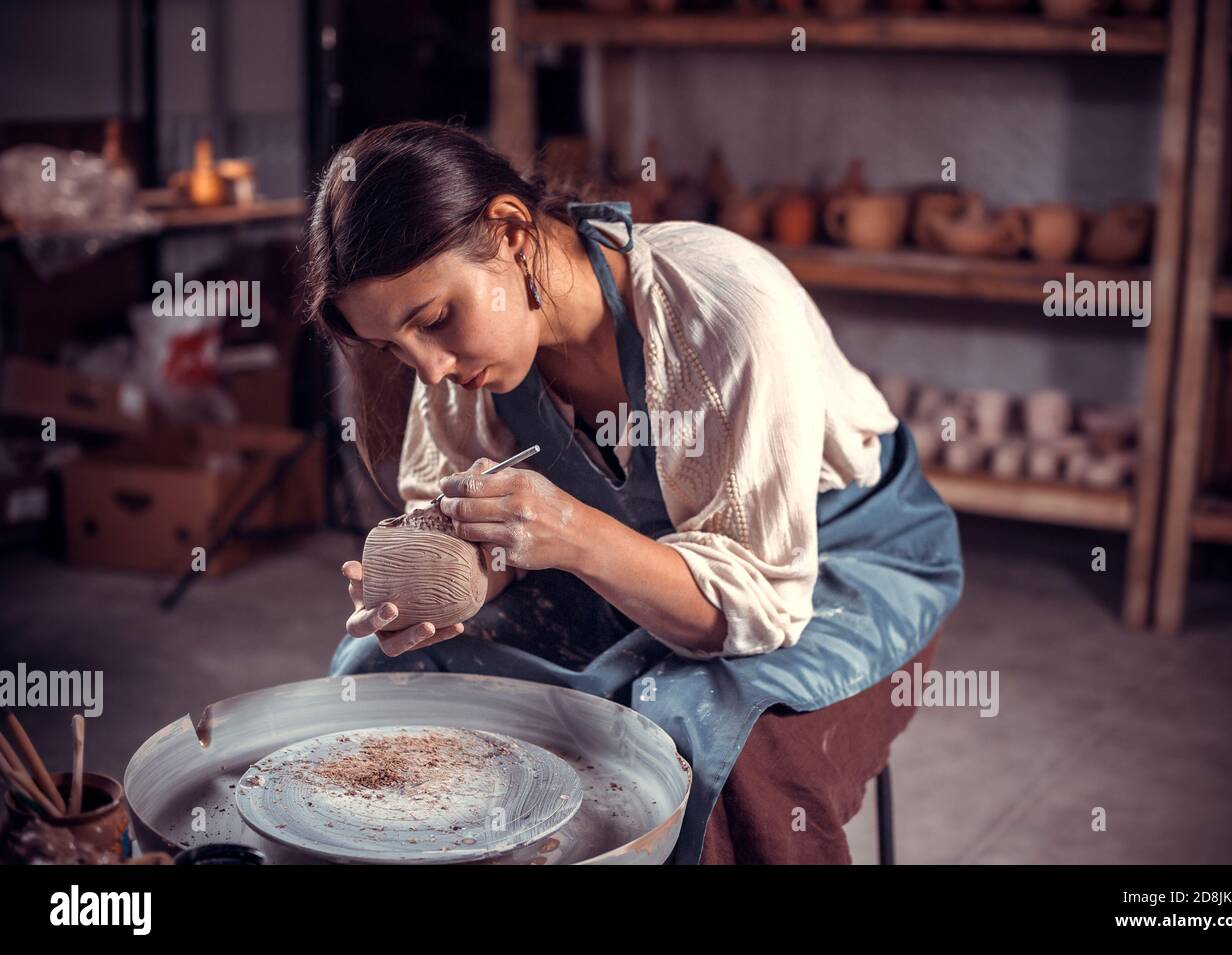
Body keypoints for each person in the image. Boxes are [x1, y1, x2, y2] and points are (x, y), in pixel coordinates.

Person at [302, 120, 963, 864]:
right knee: (382, 678)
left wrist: (575, 534)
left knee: (697, 745)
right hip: (619, 563)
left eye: (434, 320)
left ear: (512, 232)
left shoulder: (724, 308)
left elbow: (757, 604)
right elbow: (492, 545)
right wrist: (444, 586)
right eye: (396, 346)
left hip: (832, 556)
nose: (426, 368)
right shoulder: (464, 368)